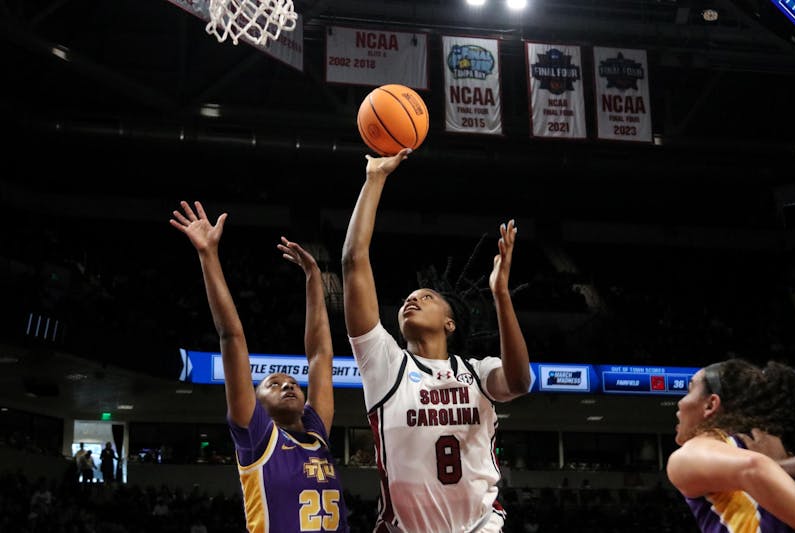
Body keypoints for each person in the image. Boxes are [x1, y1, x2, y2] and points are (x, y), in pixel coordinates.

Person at [341, 150, 532, 533]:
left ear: (449, 323)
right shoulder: (385, 363)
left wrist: (501, 295)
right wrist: (375, 179)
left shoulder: (477, 372)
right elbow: (353, 260)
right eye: (409, 298)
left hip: (481, 526)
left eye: (427, 296)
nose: (413, 299)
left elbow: (519, 382)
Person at [171, 200, 349, 533]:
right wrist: (208, 255)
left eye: (292, 383)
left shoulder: (316, 431)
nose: (288, 385)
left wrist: (314, 278)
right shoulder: (256, 436)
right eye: (273, 383)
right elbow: (231, 336)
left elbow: (320, 356)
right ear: (257, 405)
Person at [666, 359, 795, 532]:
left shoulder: (691, 452)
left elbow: (754, 467)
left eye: (689, 390)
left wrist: (776, 465)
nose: (679, 403)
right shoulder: (775, 451)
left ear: (711, 404)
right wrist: (781, 466)